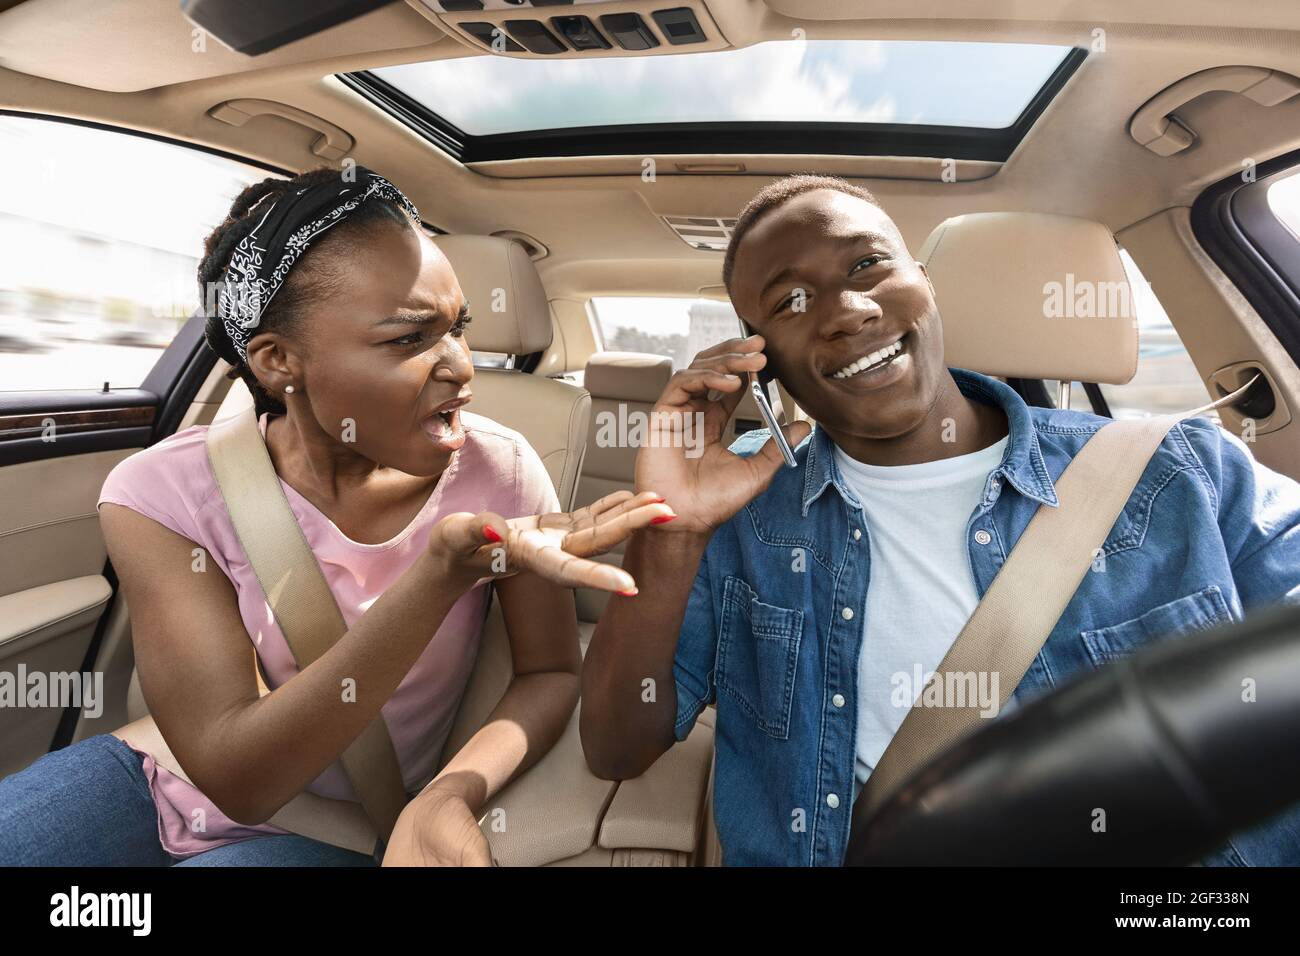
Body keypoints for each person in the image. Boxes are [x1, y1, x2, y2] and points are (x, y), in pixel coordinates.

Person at [579, 174, 1300, 866]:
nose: (847, 310)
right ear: (758, 361)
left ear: (924, 282)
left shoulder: (1179, 471)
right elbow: (616, 749)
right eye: (792, 301)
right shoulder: (741, 514)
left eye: (868, 264)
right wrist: (670, 533)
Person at [0, 166, 671, 867]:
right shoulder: (159, 490)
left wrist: (446, 796)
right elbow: (237, 776)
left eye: (458, 329)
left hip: (336, 829)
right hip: (165, 775)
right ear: (278, 361)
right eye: (408, 339)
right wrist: (441, 574)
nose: (461, 367)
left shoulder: (498, 470)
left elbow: (550, 674)